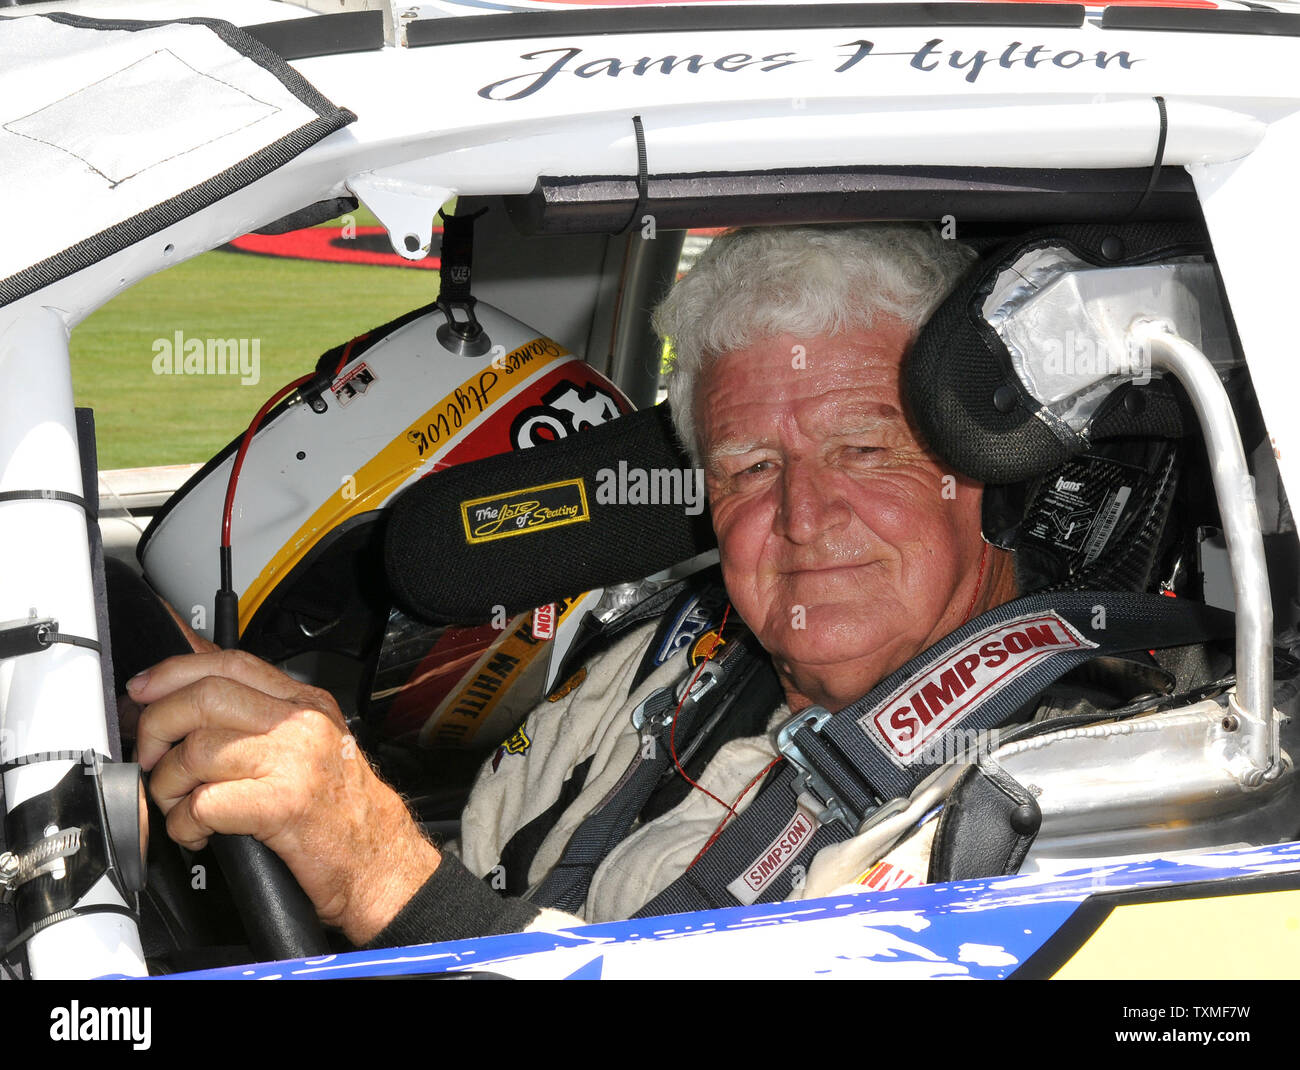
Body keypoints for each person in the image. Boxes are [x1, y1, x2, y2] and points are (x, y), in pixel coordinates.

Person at [127, 222, 1020, 947]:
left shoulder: (1032, 785)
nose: (802, 515)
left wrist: (374, 868)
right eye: (748, 466)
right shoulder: (670, 655)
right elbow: (485, 867)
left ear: (982, 463)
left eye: (863, 450)